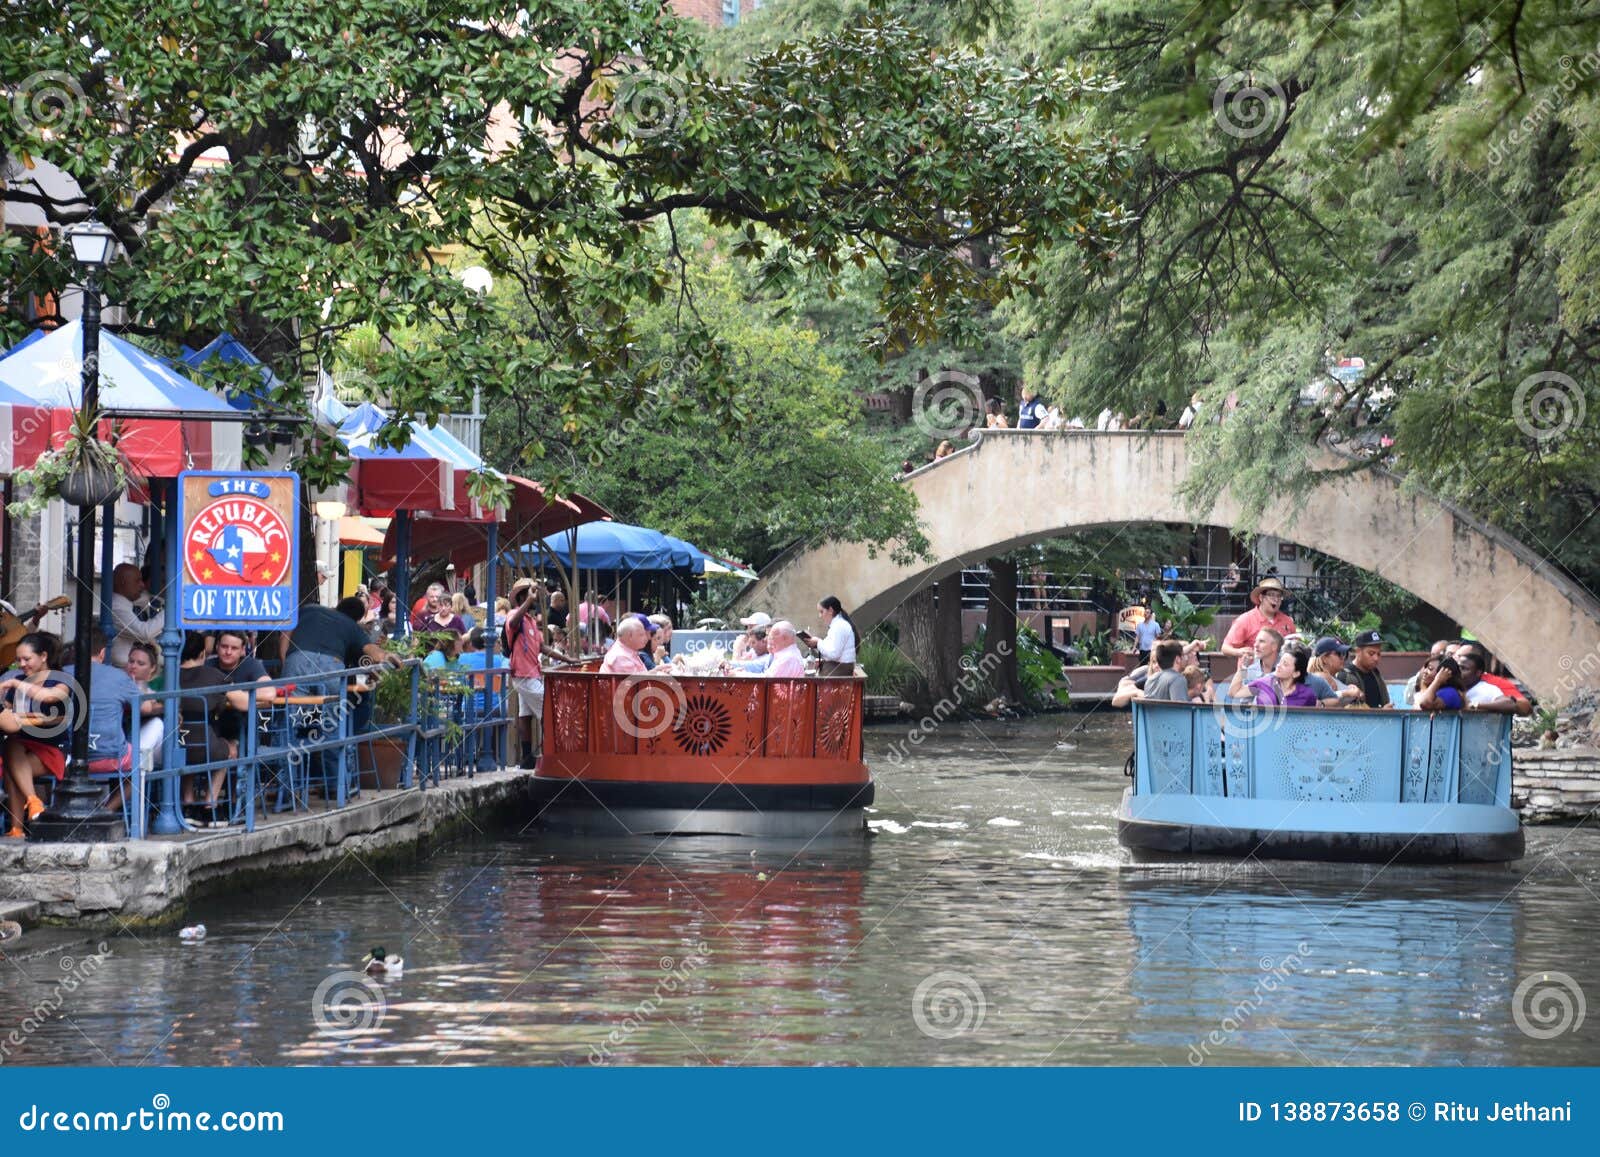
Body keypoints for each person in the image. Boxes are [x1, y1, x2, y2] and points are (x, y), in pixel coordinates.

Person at [63, 627, 147, 815]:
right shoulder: (118, 676)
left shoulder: (61, 674)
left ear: (76, 650)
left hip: (68, 759)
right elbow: (144, 707)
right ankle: (107, 809)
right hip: (112, 758)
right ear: (102, 653)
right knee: (141, 766)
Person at [0, 631, 72, 836]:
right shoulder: (21, 680)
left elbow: (49, 698)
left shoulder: (61, 680)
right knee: (11, 745)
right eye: (18, 660)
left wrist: (15, 683)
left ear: (43, 656)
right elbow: (7, 714)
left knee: (11, 768)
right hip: (21, 747)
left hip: (52, 748)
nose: (22, 664)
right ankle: (32, 803)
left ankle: (17, 827)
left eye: (26, 659)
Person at [505, 580, 577, 765]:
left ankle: (527, 758)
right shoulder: (515, 615)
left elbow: (543, 647)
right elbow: (513, 623)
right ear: (523, 596)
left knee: (525, 715)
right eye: (531, 593)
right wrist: (529, 600)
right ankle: (552, 755)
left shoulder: (530, 621)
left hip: (532, 672)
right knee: (549, 709)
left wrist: (567, 659)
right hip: (522, 673)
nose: (536, 597)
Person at [206, 628, 274, 749]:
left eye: (234, 648)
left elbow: (269, 693)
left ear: (243, 650)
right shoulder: (208, 665)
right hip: (211, 730)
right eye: (224, 646)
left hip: (241, 731)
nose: (228, 652)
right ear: (217, 647)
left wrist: (237, 696)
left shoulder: (251, 664)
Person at [1220, 577, 1295, 660]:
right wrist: (1239, 652)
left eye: (1279, 596)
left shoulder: (1287, 621)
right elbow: (1225, 648)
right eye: (1271, 595)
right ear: (1261, 598)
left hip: (1279, 671)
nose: (1276, 600)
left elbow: (1295, 648)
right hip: (1250, 670)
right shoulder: (1245, 620)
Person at [107, 562, 164, 669]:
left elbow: (147, 599)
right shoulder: (116, 607)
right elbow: (144, 633)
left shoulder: (128, 600)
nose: (142, 585)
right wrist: (171, 610)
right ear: (123, 582)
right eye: (137, 581)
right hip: (124, 670)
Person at [123, 642, 166, 768]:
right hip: (126, 737)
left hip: (158, 743)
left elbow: (166, 706)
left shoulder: (160, 683)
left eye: (140, 663)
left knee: (156, 723)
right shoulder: (121, 682)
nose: (133, 666)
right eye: (131, 661)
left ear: (152, 668)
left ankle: (136, 775)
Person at [1236, 644, 1319, 707]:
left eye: (1285, 664)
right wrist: (1242, 668)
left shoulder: (1308, 693)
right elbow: (1238, 693)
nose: (1278, 666)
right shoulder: (1262, 680)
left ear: (1296, 673)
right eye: (1280, 662)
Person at [1458, 651, 1534, 715]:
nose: (1458, 671)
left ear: (1478, 672)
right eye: (1457, 667)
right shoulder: (1450, 680)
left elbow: (1525, 707)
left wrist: (1475, 705)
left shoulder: (1493, 683)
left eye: (1464, 668)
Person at [799, 595, 857, 675]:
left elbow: (834, 654)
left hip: (839, 672)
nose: (820, 616)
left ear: (830, 610)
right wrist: (815, 642)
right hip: (836, 670)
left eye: (821, 612)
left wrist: (818, 642)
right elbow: (829, 649)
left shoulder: (839, 626)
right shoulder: (837, 625)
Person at [458, 628, 509, 720]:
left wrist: (466, 638)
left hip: (469, 709)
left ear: (471, 643)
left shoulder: (462, 658)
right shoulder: (497, 660)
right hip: (494, 709)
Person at [1337, 629, 1391, 708]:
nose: (1376, 658)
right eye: (1371, 653)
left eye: (1378, 654)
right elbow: (1349, 712)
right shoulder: (1346, 675)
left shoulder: (1376, 673)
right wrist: (1381, 712)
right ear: (1358, 651)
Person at [1307, 637, 1363, 707]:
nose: (1342, 658)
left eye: (1344, 654)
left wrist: (1352, 690)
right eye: (1339, 654)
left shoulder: (1330, 677)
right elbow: (1317, 703)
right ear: (1325, 658)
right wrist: (1347, 693)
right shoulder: (1321, 676)